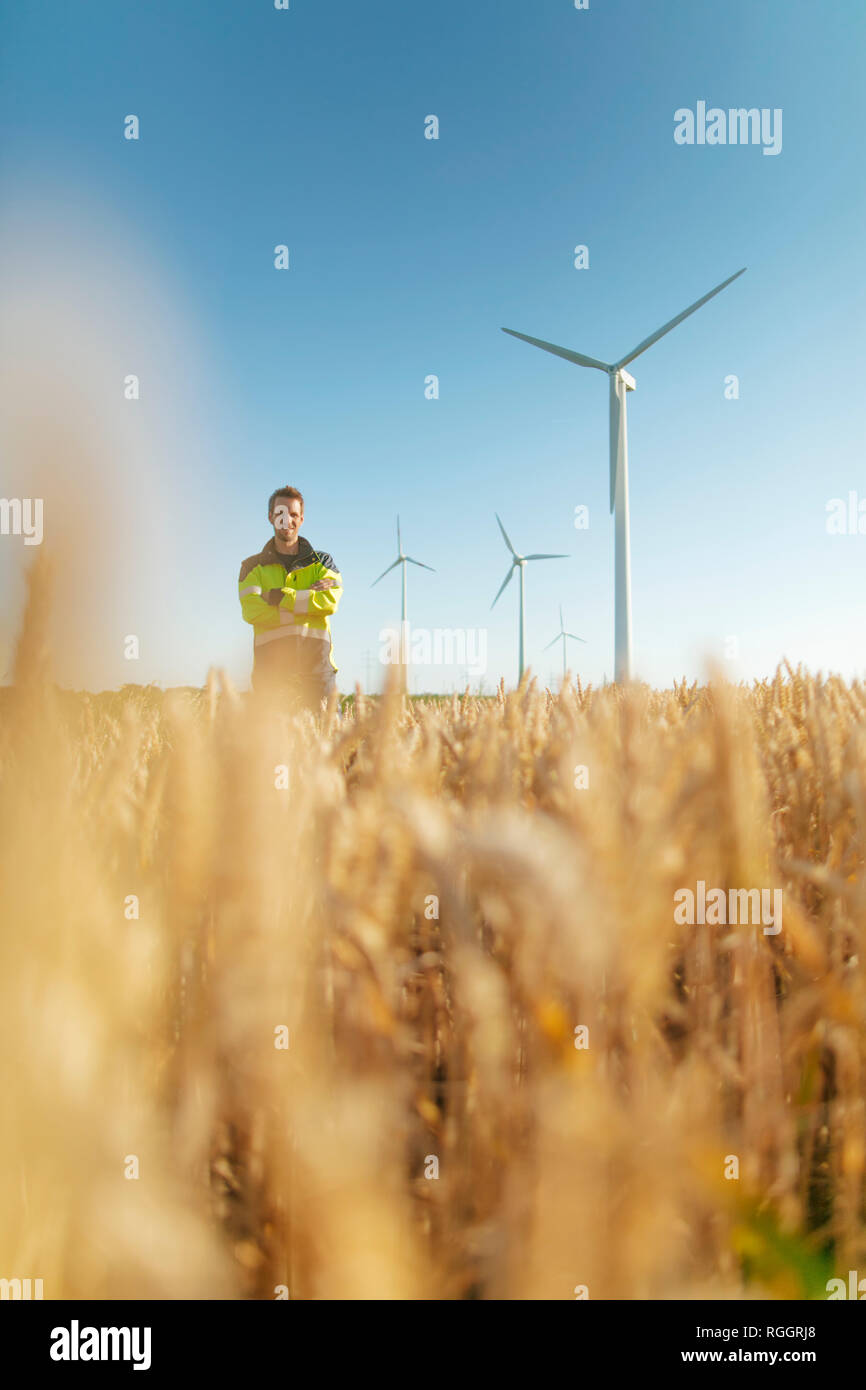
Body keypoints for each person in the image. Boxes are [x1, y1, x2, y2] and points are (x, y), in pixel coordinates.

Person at [238, 485, 342, 714]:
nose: (288, 520)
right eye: (281, 514)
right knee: (270, 748)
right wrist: (306, 606)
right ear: (270, 517)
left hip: (317, 673)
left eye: (293, 515)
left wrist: (277, 597)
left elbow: (330, 602)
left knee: (330, 742)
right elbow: (251, 611)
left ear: (302, 519)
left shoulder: (323, 563)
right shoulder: (251, 567)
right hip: (271, 674)